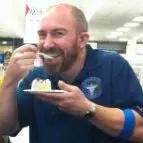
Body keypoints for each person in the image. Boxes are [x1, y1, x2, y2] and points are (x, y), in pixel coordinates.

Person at [0, 3, 143, 143]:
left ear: (82, 39)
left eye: (58, 34)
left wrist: (88, 109)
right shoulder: (36, 77)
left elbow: (140, 128)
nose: (47, 44)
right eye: (42, 35)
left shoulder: (112, 65)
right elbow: (5, 128)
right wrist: (10, 81)